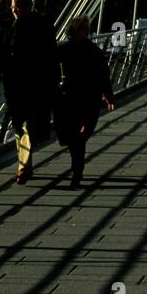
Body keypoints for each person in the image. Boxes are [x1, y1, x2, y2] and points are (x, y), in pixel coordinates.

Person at [0, 0, 58, 185]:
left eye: (16, 6)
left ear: (26, 7)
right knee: (19, 124)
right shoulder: (8, 26)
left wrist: (54, 81)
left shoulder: (42, 26)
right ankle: (25, 164)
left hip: (35, 83)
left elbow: (51, 56)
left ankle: (24, 166)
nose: (13, 10)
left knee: (27, 125)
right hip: (13, 84)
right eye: (12, 7)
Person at [54, 15, 115, 188]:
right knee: (79, 136)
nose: (86, 31)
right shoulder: (93, 51)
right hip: (84, 99)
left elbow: (103, 75)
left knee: (77, 136)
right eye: (84, 28)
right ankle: (77, 170)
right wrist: (108, 95)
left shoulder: (63, 50)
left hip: (75, 98)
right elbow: (103, 75)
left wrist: (108, 95)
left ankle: (77, 169)